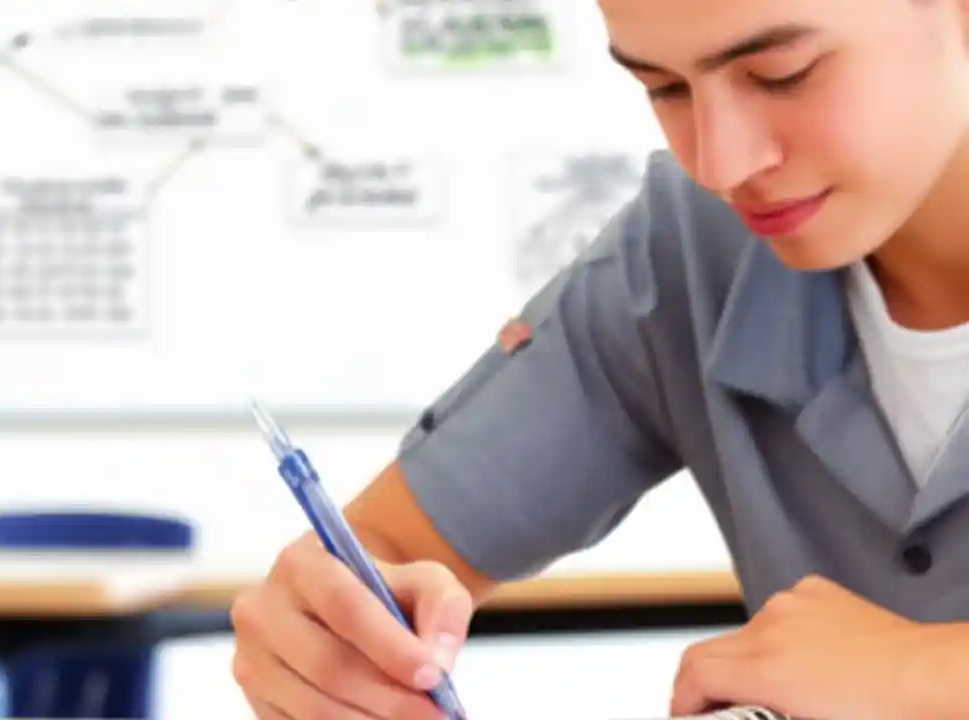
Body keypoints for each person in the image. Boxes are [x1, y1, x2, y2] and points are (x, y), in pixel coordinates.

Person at [230, 0, 969, 717]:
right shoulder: (693, 247)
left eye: (784, 73)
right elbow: (389, 549)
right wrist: (325, 635)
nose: (721, 165)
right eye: (664, 87)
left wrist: (924, 674)